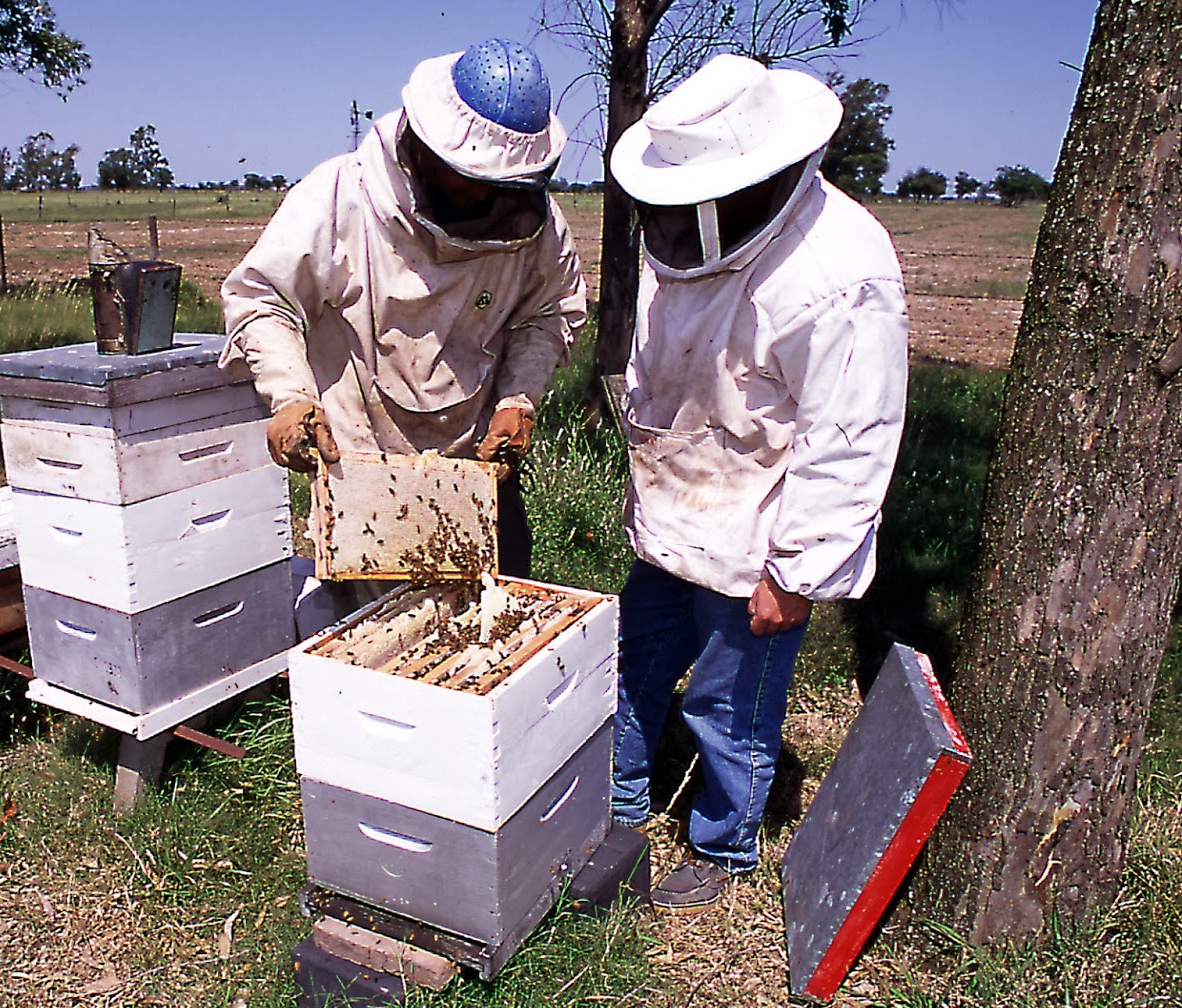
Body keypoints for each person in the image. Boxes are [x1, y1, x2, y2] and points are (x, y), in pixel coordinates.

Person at [606, 54, 908, 912]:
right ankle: (619, 804)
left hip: (760, 537)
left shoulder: (842, 272)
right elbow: (660, 358)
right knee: (631, 662)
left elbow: (850, 438)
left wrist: (799, 570)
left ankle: (723, 841)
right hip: (676, 509)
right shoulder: (693, 231)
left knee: (728, 701)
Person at [219, 38, 587, 579]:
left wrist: (519, 399)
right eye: (470, 180)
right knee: (374, 640)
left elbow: (547, 313)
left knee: (494, 626)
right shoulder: (342, 196)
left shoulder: (535, 223)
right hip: (360, 464)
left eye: (497, 184)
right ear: (428, 148)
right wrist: (290, 397)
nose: (484, 198)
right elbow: (264, 298)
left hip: (479, 470)